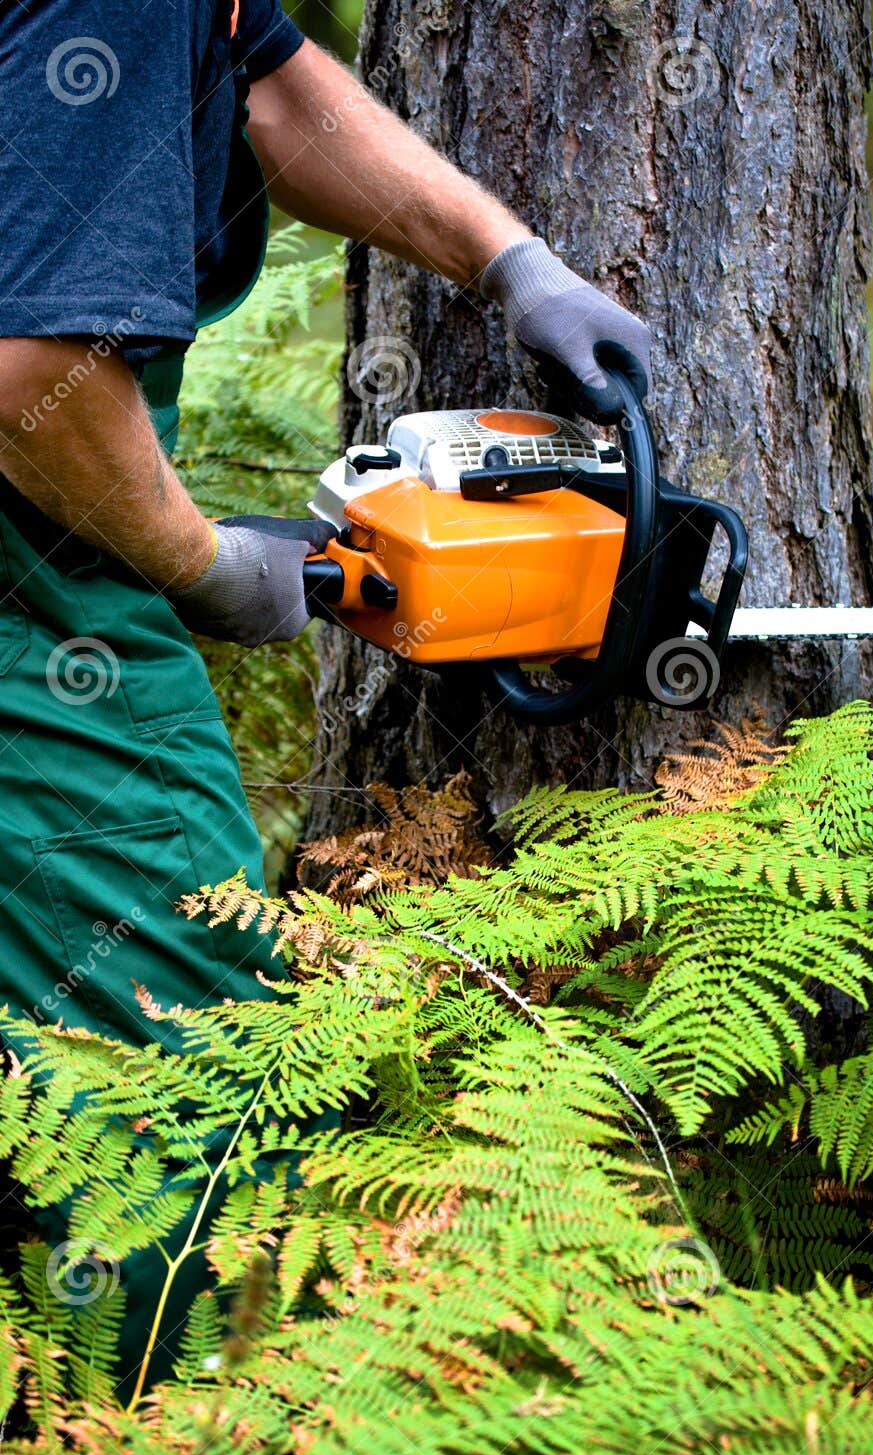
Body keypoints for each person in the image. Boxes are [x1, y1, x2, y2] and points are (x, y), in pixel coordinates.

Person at [0, 2, 652, 1048]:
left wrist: (510, 263)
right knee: (192, 1030)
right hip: (31, 554)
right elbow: (34, 378)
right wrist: (205, 565)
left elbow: (268, 83)